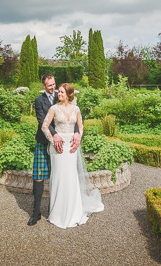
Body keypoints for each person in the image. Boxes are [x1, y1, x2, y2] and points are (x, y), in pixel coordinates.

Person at [41, 82, 104, 228]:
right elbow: (44, 126)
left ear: (69, 94)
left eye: (62, 92)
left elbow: (81, 127)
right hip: (58, 147)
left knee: (71, 177)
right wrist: (52, 139)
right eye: (59, 92)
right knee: (59, 177)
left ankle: (74, 212)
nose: (59, 94)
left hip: (72, 146)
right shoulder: (53, 108)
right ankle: (58, 213)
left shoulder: (76, 109)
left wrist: (77, 136)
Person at [28, 74, 81, 226]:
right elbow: (41, 120)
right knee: (38, 175)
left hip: (63, 145)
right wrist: (55, 135)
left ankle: (58, 210)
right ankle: (36, 213)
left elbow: (74, 118)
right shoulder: (39, 101)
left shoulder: (63, 95)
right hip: (44, 141)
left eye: (54, 84)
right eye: (49, 85)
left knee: (60, 176)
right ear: (44, 86)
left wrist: (77, 132)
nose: (53, 88)